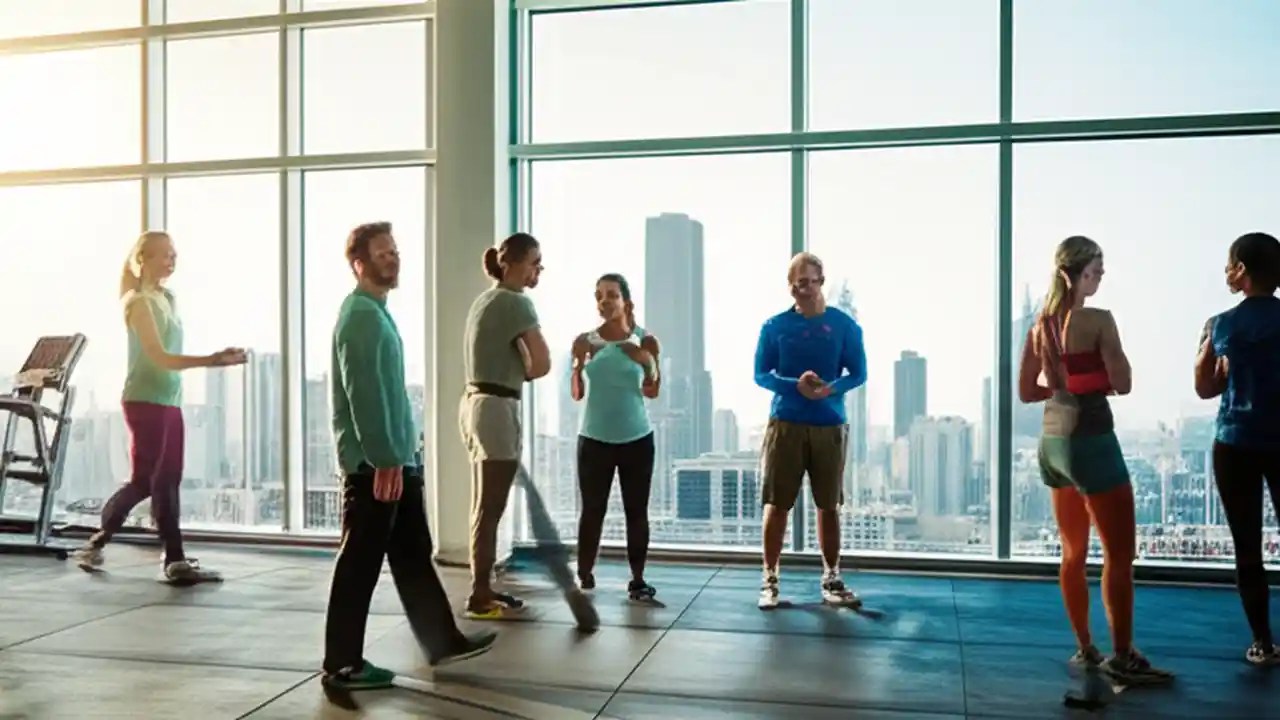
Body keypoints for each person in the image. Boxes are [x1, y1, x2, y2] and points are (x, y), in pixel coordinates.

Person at [322, 222, 495, 691]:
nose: (392, 258)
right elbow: (366, 396)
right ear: (358, 263)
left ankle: (442, 639)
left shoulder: (375, 312)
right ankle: (342, 665)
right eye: (382, 253)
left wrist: (401, 455)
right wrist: (384, 458)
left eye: (394, 251)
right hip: (376, 466)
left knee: (413, 555)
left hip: (396, 459)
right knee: (360, 560)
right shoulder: (360, 316)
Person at [1018, 235, 1172, 685]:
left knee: (1072, 552)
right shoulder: (1098, 319)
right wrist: (1093, 380)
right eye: (1096, 271)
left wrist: (1064, 381)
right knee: (1120, 554)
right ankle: (1122, 656)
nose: (1101, 278)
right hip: (1090, 440)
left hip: (1052, 443)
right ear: (1076, 273)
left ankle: (1086, 646)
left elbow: (1028, 391)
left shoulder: (1039, 323)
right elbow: (1123, 381)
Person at [72, 231, 243, 584]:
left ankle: (173, 559)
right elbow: (159, 357)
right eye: (164, 255)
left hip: (169, 401)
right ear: (142, 259)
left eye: (174, 254)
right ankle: (101, 542)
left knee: (167, 479)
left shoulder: (168, 298)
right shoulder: (138, 302)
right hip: (144, 400)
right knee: (146, 481)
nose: (171, 260)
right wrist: (213, 360)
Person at [460, 233, 595, 629]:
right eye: (535, 262)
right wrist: (523, 357)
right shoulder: (517, 302)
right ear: (512, 263)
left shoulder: (484, 300)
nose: (539, 270)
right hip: (498, 408)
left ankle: (482, 588)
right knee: (491, 509)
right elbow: (541, 365)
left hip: (473, 406)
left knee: (481, 507)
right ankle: (479, 595)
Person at [752, 252, 865, 610]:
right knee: (777, 504)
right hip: (785, 424)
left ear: (822, 281)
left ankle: (832, 577)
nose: (808, 288)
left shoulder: (844, 326)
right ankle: (769, 579)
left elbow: (859, 373)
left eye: (814, 281)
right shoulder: (774, 327)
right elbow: (760, 374)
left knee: (828, 505)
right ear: (791, 287)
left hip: (829, 426)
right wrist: (793, 386)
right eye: (801, 282)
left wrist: (831, 389)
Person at [1193, 231, 1280, 667]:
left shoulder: (1221, 324)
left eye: (1230, 263)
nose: (1226, 271)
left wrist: (1213, 357)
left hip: (1235, 442)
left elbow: (1205, 387)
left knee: (1247, 546)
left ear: (1242, 271)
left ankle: (1263, 644)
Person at [570, 273, 661, 601]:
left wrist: (646, 362)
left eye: (611, 295)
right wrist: (578, 366)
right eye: (599, 296)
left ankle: (638, 580)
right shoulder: (584, 341)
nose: (604, 301)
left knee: (636, 511)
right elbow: (577, 394)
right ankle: (584, 575)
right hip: (594, 439)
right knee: (592, 509)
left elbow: (652, 390)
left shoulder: (645, 341)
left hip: (637, 438)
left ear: (626, 302)